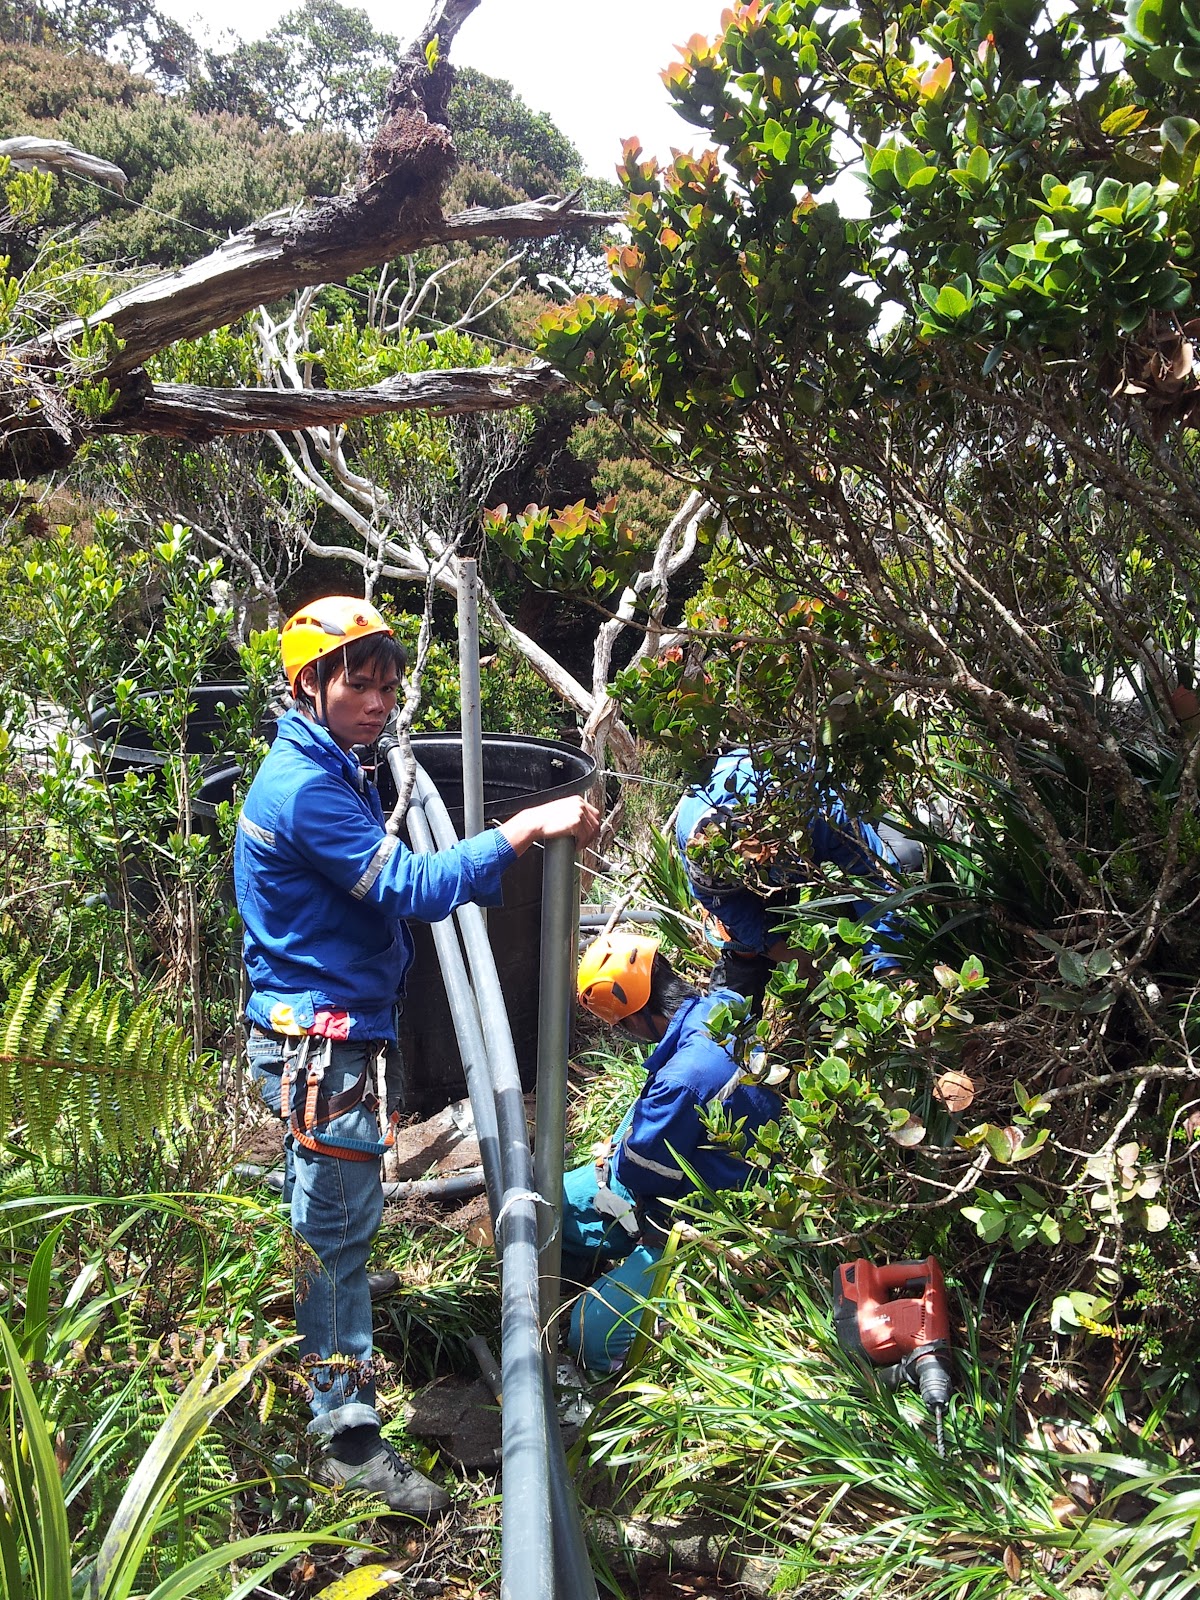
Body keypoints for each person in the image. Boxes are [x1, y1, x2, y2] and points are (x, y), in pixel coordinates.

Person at [235, 595, 598, 1516]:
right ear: (307, 682)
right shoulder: (307, 786)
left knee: (330, 1216)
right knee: (333, 1235)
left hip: (316, 1029)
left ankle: (339, 1289)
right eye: (359, 682)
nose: (379, 701)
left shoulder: (328, 759)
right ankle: (345, 1433)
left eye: (389, 684)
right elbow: (409, 884)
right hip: (319, 1042)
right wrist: (525, 828)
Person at [562, 931, 781, 1373]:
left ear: (635, 1018)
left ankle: (633, 1361)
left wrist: (615, 1166)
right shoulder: (719, 1008)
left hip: (703, 1221)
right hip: (719, 1170)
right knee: (557, 1202)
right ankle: (581, 1266)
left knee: (589, 1331)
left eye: (621, 1026)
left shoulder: (679, 1080)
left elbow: (643, 1172)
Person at [675, 749, 913, 1007]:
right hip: (773, 861)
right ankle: (734, 1022)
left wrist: (889, 967)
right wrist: (783, 953)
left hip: (810, 822)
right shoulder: (691, 838)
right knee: (748, 942)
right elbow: (733, 911)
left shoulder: (820, 810)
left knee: (906, 858)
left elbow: (874, 877)